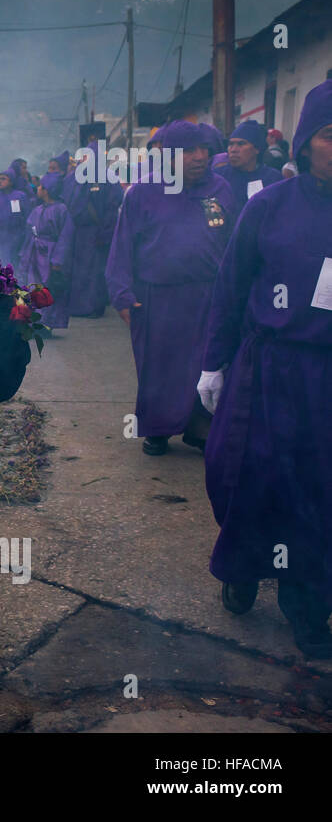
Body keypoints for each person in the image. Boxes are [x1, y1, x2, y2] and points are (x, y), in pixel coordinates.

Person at [197, 80, 332, 658]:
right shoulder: (269, 207)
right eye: (331, 135)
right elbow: (230, 289)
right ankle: (245, 566)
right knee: (250, 477)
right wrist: (213, 363)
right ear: (306, 144)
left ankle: (307, 610)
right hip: (270, 368)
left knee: (319, 492)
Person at [105, 120, 238, 456]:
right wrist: (122, 293)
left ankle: (198, 425)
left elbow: (236, 245)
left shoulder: (220, 188)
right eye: (189, 151)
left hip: (208, 294)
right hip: (156, 297)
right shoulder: (142, 192)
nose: (200, 157)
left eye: (204, 149)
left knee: (206, 364)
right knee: (159, 366)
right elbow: (121, 247)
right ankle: (158, 429)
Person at [61, 148, 122, 318]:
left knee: (95, 271)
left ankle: (94, 307)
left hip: (96, 232)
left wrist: (106, 232)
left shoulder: (108, 177)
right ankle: (78, 306)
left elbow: (112, 206)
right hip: (77, 232)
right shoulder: (75, 178)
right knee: (78, 270)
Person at [20, 172, 74, 332]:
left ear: (47, 190)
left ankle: (46, 322)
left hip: (50, 253)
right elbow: (28, 232)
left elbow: (66, 237)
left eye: (41, 186)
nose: (38, 189)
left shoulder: (61, 210)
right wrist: (24, 253)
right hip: (34, 253)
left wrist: (58, 260)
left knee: (47, 288)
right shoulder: (37, 209)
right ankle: (34, 320)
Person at [215, 120, 281, 208]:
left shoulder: (273, 179)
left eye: (241, 144)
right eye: (231, 144)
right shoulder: (218, 177)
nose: (233, 150)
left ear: (257, 149)